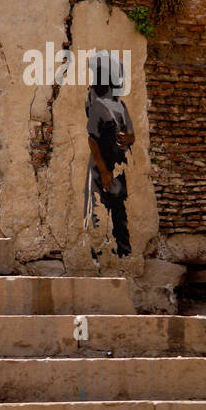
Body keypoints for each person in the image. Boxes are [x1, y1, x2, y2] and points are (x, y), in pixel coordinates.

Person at [84, 50, 135, 258]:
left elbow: (131, 134)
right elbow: (92, 139)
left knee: (119, 212)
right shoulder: (97, 105)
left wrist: (127, 138)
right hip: (101, 168)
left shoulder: (120, 105)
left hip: (118, 168)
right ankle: (97, 255)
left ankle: (124, 253)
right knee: (98, 212)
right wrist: (104, 171)